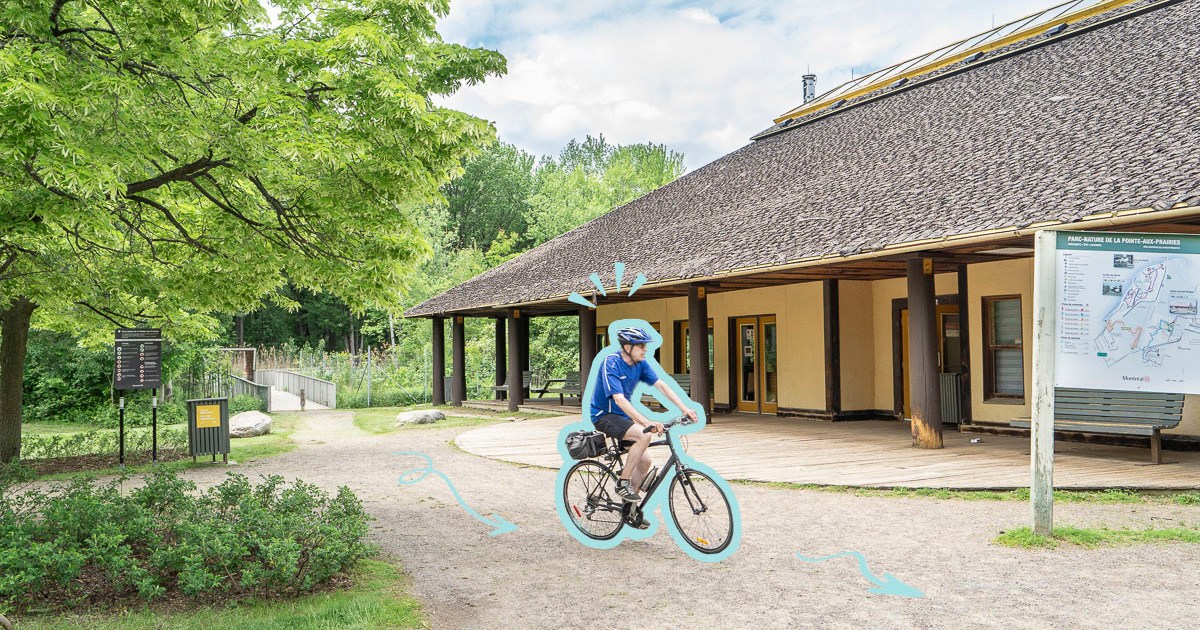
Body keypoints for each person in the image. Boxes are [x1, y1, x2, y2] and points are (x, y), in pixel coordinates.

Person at [590, 326, 699, 520]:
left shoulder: (640, 364)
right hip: (603, 415)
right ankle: (623, 483)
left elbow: (662, 385)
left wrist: (684, 409)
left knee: (645, 462)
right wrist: (646, 422)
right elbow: (619, 400)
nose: (645, 349)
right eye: (640, 345)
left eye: (645, 345)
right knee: (644, 435)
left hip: (622, 418)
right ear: (627, 346)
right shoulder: (611, 363)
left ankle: (629, 510)